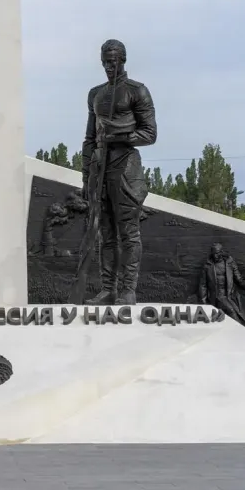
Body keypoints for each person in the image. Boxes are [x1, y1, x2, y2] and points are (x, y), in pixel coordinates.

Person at [81, 39, 157, 305]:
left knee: (128, 232)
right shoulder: (95, 94)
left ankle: (128, 290)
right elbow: (90, 137)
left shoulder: (137, 91)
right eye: (105, 62)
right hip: (99, 167)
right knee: (106, 233)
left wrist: (122, 135)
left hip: (125, 166)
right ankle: (108, 289)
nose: (109, 67)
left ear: (123, 60)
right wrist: (85, 178)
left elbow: (150, 134)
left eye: (114, 62)